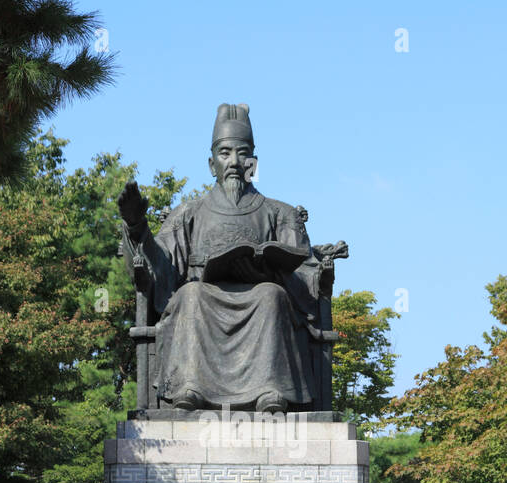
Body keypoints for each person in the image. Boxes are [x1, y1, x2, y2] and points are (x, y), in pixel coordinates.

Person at [117, 103, 343, 412]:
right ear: (212, 164)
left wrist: (313, 274)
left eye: (242, 153)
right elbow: (163, 268)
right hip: (203, 297)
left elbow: (305, 269)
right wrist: (137, 226)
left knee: (271, 295)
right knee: (191, 294)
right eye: (225, 153)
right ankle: (190, 387)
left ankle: (269, 390)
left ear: (253, 162)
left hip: (262, 299)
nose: (234, 162)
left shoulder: (280, 214)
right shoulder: (188, 214)